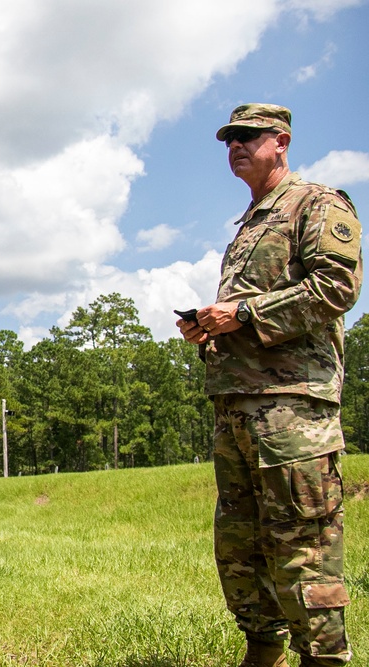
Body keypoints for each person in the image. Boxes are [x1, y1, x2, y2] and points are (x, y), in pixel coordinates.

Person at [177, 104, 361, 667]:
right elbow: (245, 317)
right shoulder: (249, 225)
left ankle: (324, 659)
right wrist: (209, 330)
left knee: (301, 542)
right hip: (237, 409)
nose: (235, 146)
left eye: (248, 137)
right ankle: (263, 651)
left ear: (280, 141)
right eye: (229, 139)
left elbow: (337, 287)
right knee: (241, 545)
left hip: (292, 410)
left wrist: (245, 314)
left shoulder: (318, 203)